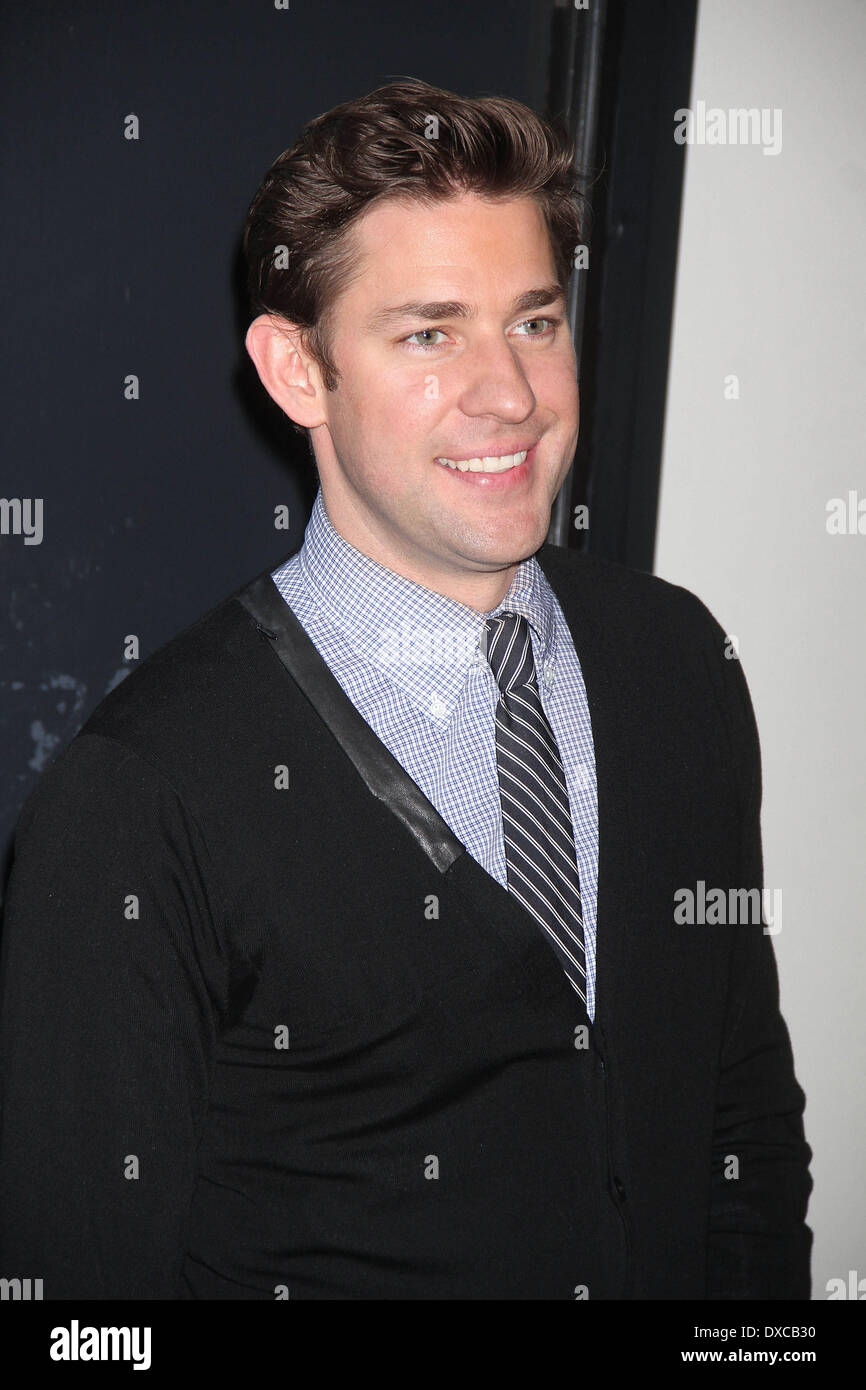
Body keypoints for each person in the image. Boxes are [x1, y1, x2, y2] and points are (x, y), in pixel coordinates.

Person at [0, 77, 812, 1300]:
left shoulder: (675, 663)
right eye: (429, 334)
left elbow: (736, 1108)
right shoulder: (141, 794)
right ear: (296, 373)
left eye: (533, 321)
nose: (512, 395)